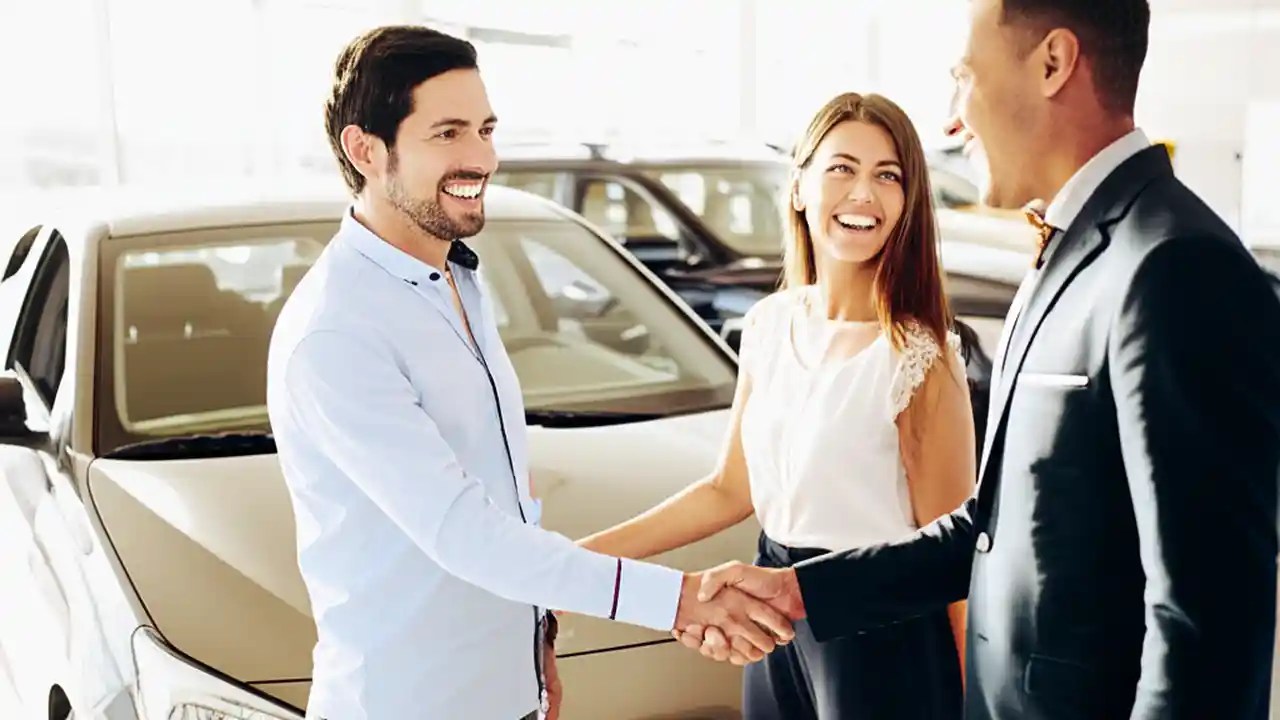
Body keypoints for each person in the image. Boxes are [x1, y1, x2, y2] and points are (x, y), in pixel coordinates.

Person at [686, 1, 1280, 718]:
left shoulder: (1174, 266)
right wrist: (801, 590)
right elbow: (990, 526)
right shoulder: (1063, 254)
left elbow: (1205, 616)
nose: (950, 119)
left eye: (963, 77)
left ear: (1053, 64)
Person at [265, 25, 792, 720]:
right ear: (365, 151)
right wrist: (680, 598)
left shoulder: (457, 280)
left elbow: (504, 504)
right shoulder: (337, 333)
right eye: (447, 133)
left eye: (485, 129)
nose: (481, 157)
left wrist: (535, 642)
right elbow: (464, 533)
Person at [579, 92, 975, 719]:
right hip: (773, 628)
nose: (864, 194)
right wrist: (575, 561)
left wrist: (974, 699)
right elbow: (728, 489)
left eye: (888, 175)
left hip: (880, 637)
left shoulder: (922, 355)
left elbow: (954, 560)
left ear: (908, 202)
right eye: (842, 168)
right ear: (798, 186)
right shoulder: (770, 323)